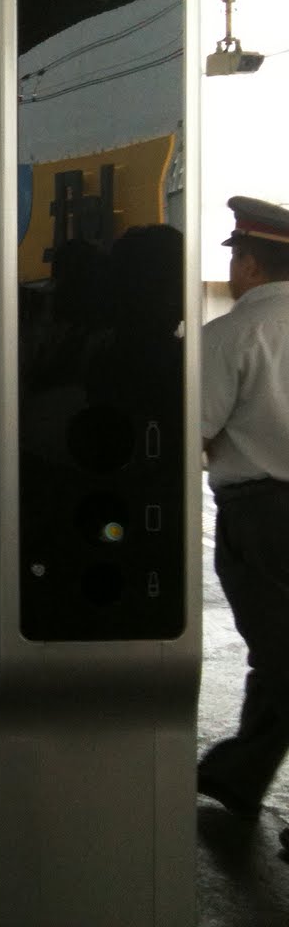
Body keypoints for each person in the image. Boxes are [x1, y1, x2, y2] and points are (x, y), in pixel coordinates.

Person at [195, 195, 289, 848]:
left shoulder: (231, 334)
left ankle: (239, 772)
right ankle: (239, 774)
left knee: (279, 653)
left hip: (263, 515)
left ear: (252, 264)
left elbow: (193, 430)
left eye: (235, 257)